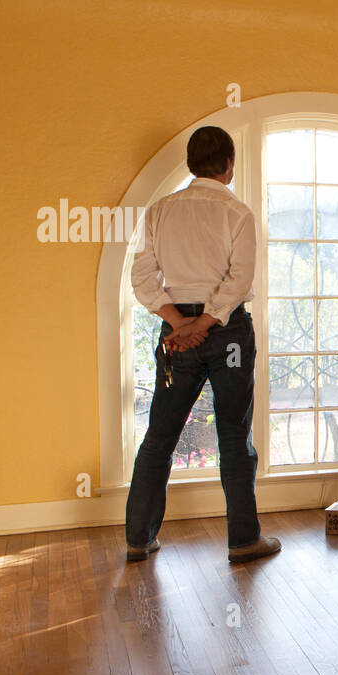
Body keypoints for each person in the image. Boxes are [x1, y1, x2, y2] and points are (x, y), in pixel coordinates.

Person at [124, 125, 281, 564]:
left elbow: (142, 278)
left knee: (160, 434)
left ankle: (138, 538)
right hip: (226, 332)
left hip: (177, 335)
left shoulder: (160, 211)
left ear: (191, 164)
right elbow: (239, 281)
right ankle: (243, 541)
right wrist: (205, 323)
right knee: (233, 435)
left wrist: (179, 324)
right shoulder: (239, 214)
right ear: (229, 166)